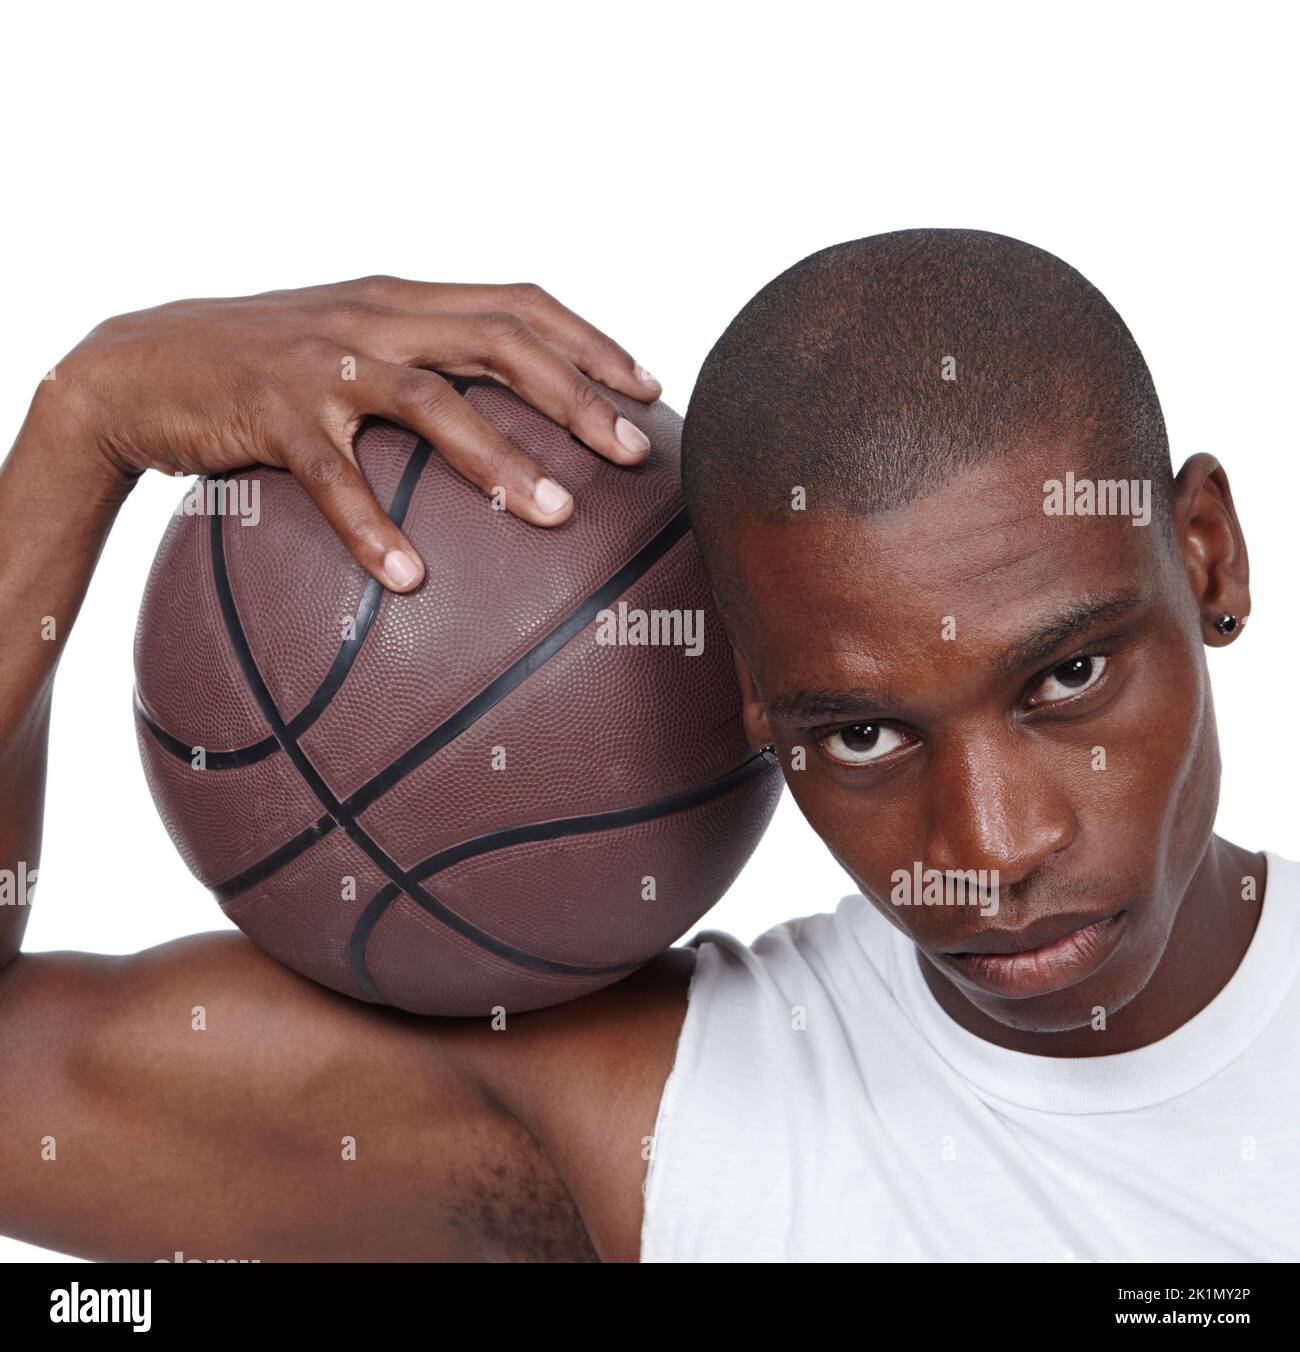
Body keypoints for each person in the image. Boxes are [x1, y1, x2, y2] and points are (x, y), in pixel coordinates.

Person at [1, 232, 1293, 1263]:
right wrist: (84, 421)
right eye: (861, 733)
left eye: (1067, 677)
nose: (992, 848)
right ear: (749, 705)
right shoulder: (650, 1119)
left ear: (1207, 558)